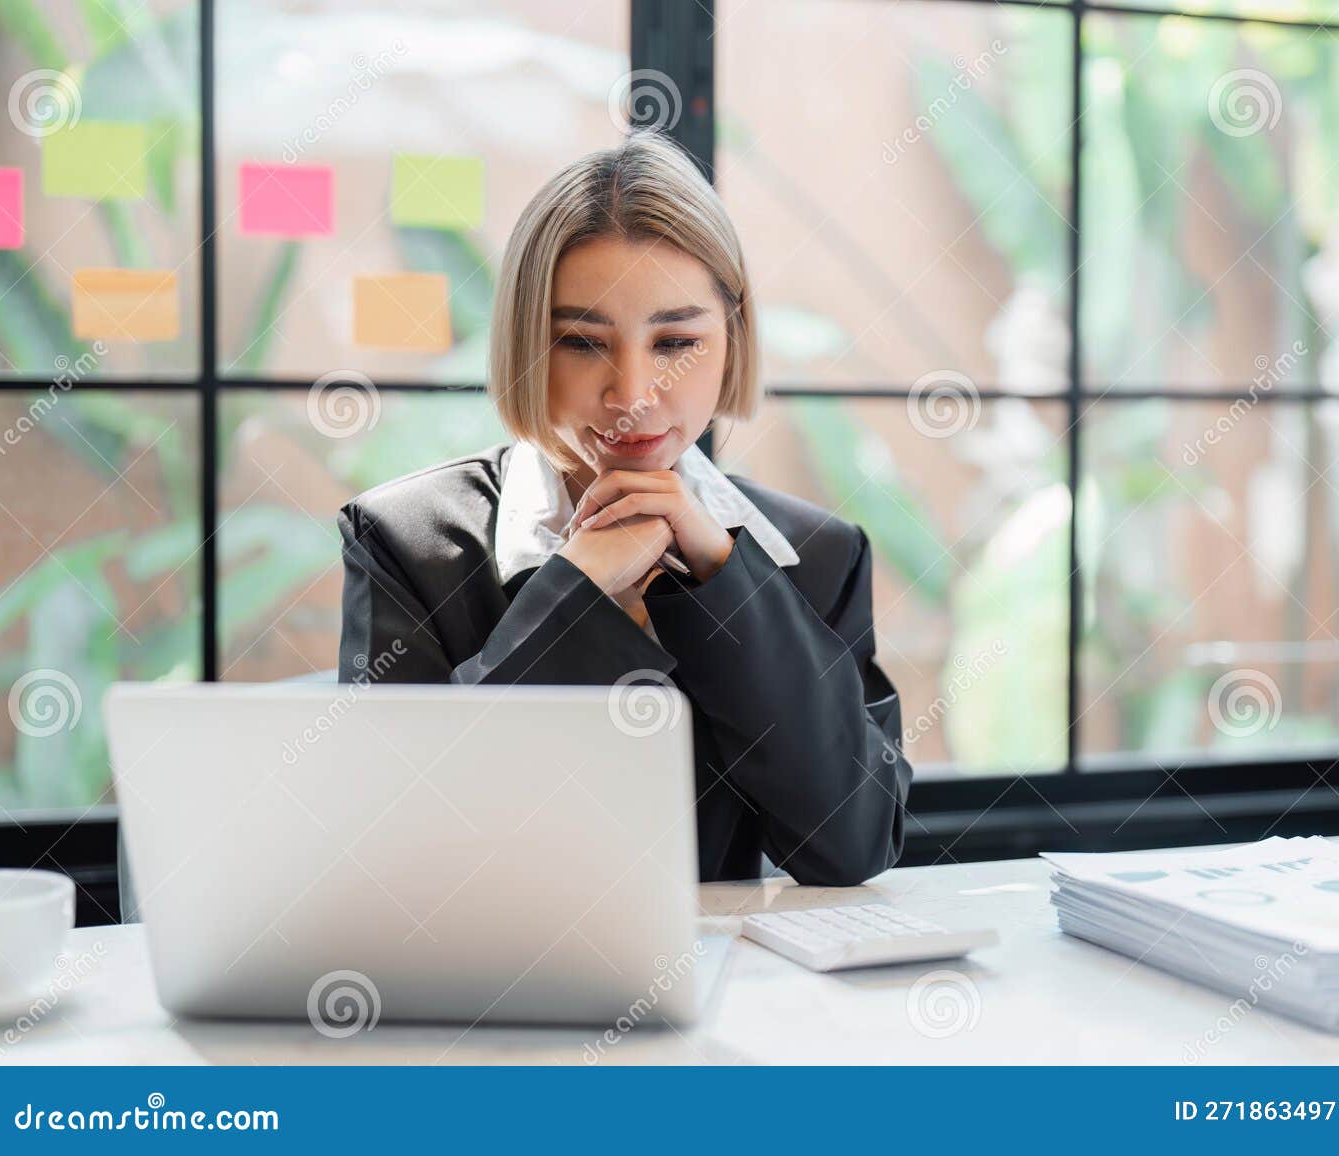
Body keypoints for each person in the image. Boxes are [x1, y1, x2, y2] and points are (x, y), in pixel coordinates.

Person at [336, 131, 911, 886]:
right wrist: (573, 591)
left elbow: (853, 844)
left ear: (731, 344)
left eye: (675, 341)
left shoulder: (819, 554)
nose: (632, 392)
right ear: (525, 347)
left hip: (740, 994)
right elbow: (405, 847)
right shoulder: (407, 542)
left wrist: (724, 581)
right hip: (491, 989)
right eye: (581, 341)